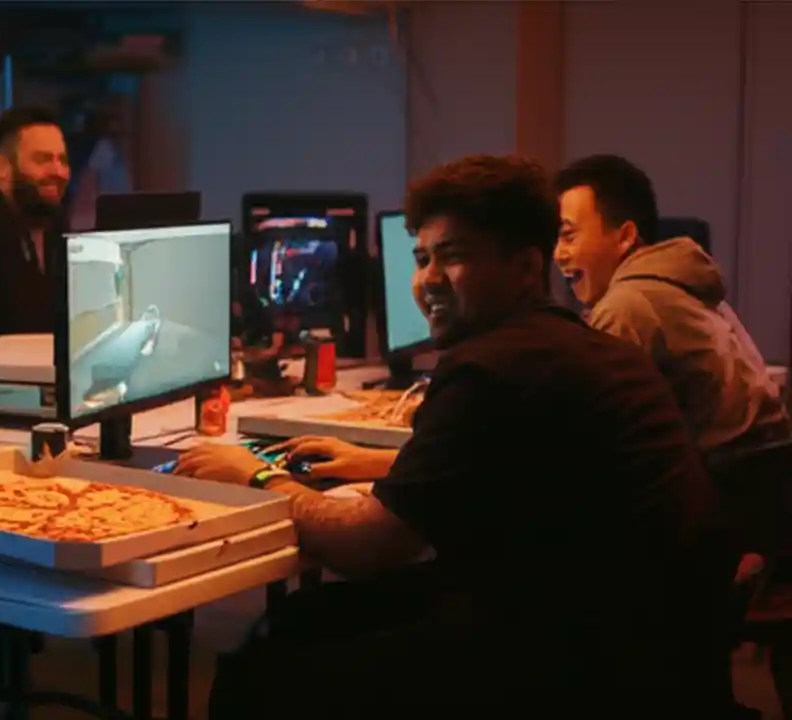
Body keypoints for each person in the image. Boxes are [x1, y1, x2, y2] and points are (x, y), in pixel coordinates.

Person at [174, 155, 736, 715]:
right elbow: (508, 469)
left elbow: (370, 547)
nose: (428, 281)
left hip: (586, 666)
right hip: (654, 646)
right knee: (304, 616)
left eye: (454, 256)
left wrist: (256, 474)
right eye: (421, 259)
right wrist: (376, 464)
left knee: (267, 671)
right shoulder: (574, 345)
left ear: (524, 267)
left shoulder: (491, 368)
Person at [554, 153, 790, 462]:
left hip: (727, 491)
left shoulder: (627, 306)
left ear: (625, 236)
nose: (559, 254)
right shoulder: (682, 285)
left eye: (568, 235)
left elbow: (590, 434)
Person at [0, 105, 72, 335]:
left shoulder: (53, 219)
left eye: (62, 160)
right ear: (1, 168)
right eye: (43, 159)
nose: (58, 171)